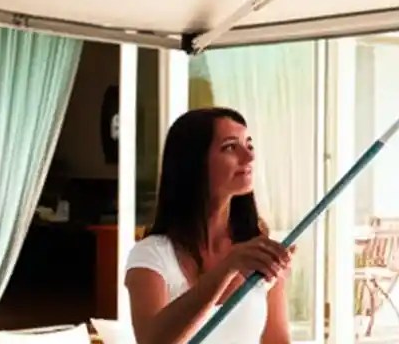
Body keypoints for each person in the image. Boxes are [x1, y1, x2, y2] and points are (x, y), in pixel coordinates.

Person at [125, 107, 295, 344]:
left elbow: (277, 340)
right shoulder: (151, 255)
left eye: (249, 145)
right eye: (230, 147)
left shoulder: (256, 248)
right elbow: (153, 342)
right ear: (193, 162)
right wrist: (228, 268)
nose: (249, 157)